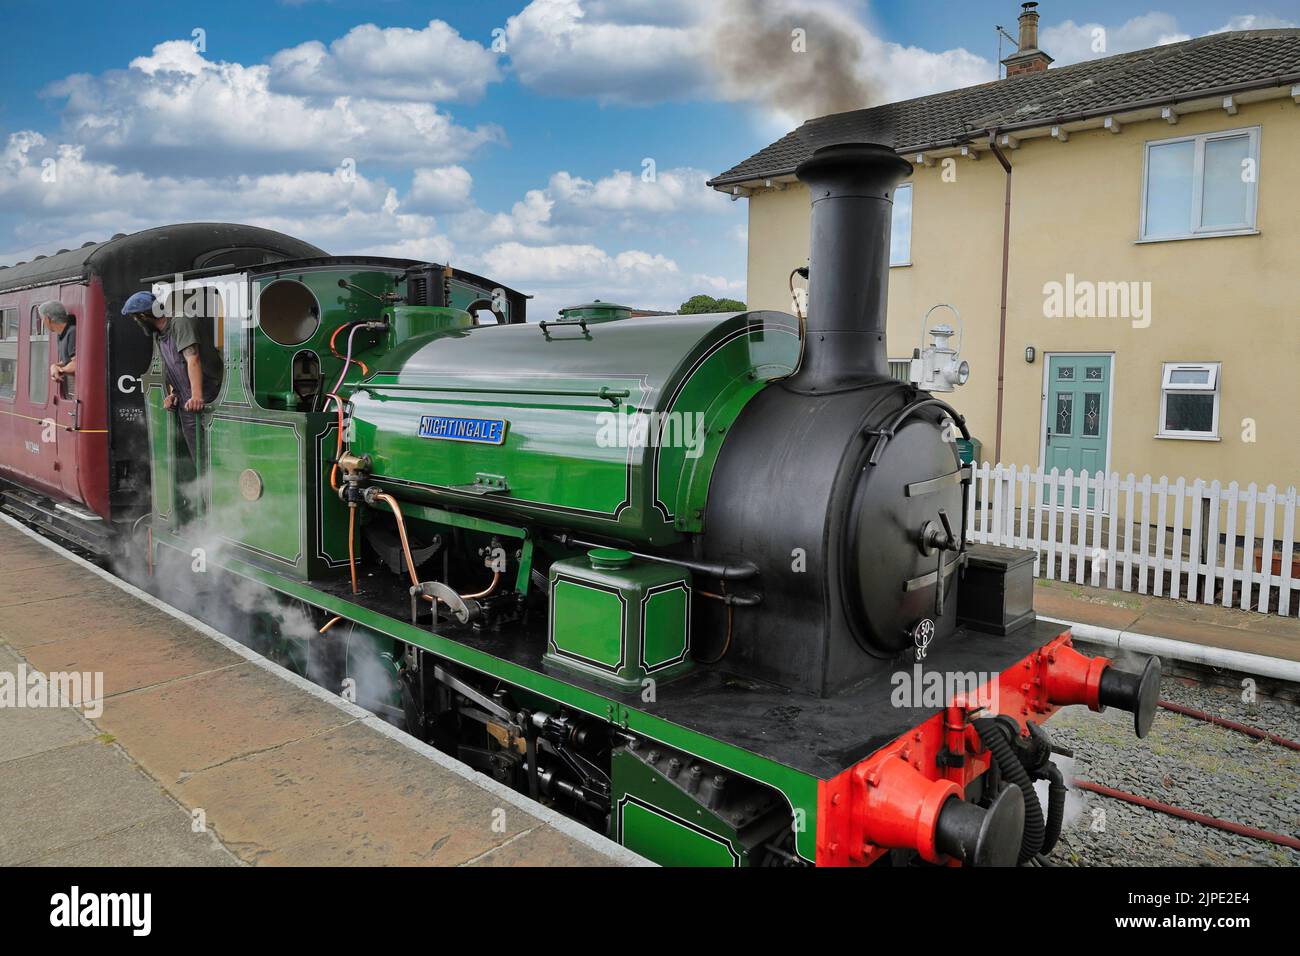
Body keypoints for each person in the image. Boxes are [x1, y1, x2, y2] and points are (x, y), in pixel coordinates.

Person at [121, 291, 224, 460]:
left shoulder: (180, 322)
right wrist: (173, 394)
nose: (136, 323)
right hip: (186, 402)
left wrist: (197, 396)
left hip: (208, 396)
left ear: (143, 316)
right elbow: (173, 367)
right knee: (199, 458)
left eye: (135, 319)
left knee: (215, 456)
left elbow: (193, 359)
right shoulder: (159, 335)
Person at [38, 301, 76, 385]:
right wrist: (54, 366)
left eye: (42, 320)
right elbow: (66, 361)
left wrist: (61, 370)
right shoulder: (60, 335)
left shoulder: (72, 332)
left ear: (47, 319)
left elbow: (76, 363)